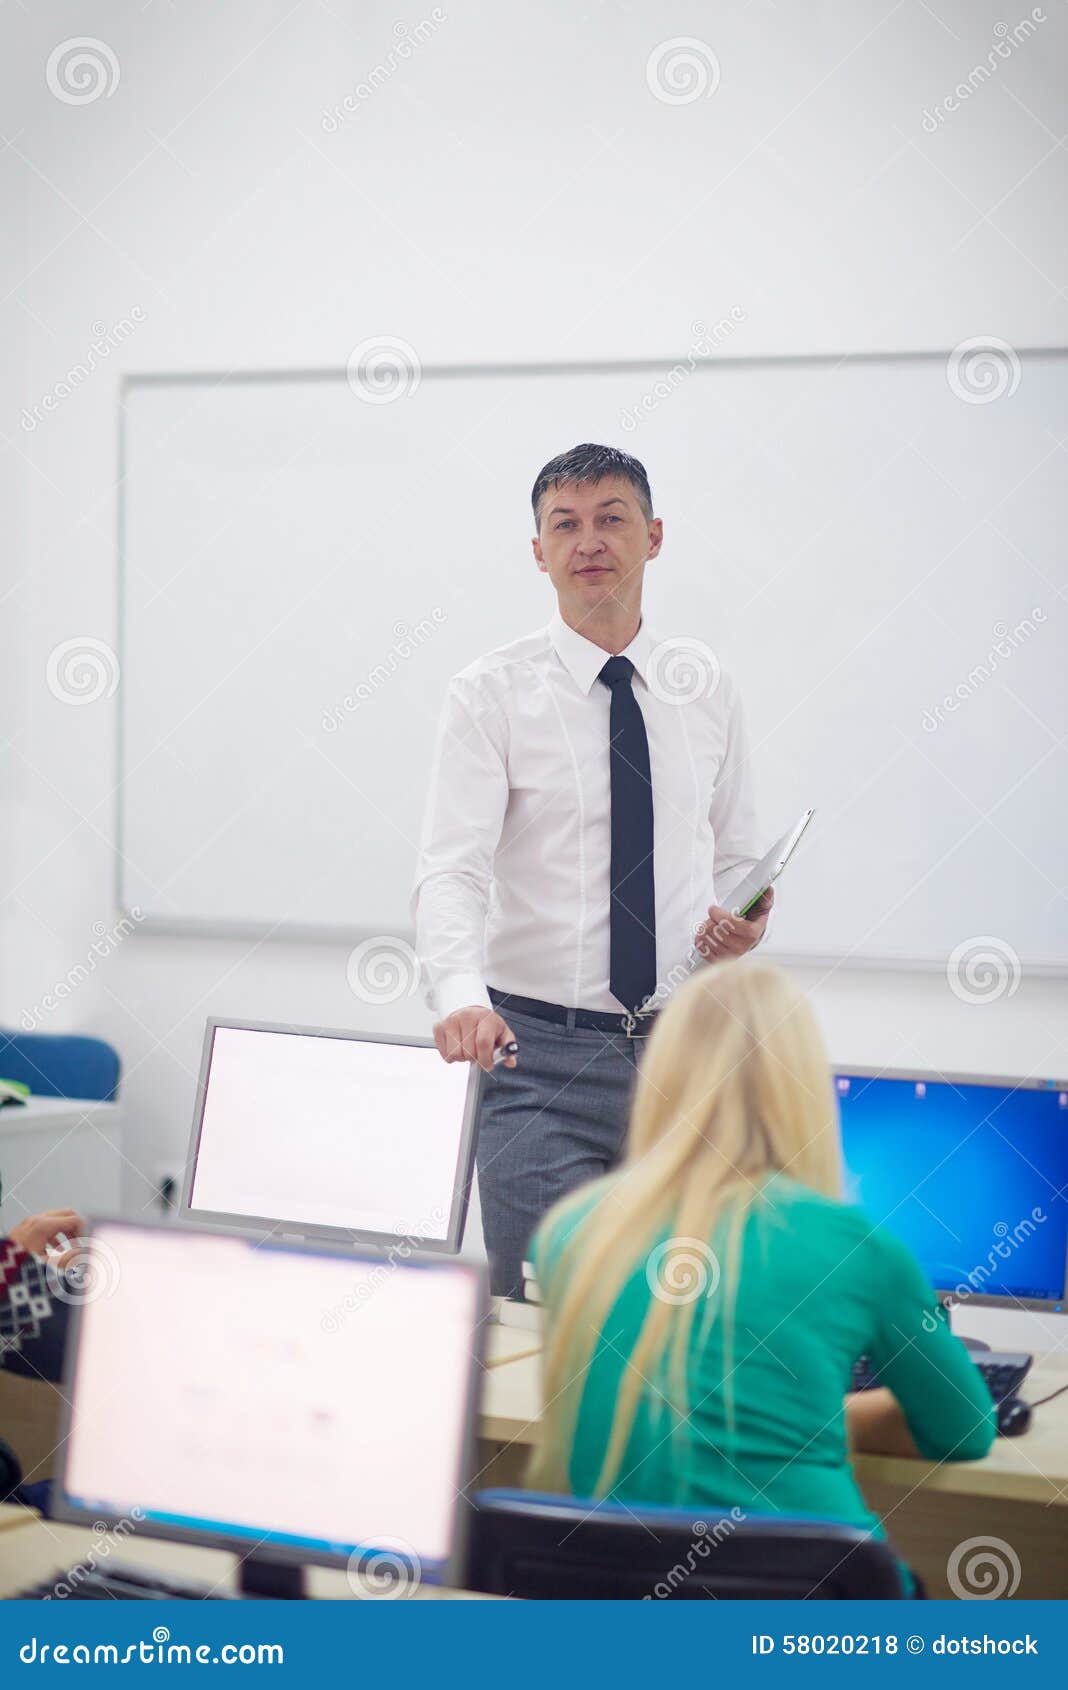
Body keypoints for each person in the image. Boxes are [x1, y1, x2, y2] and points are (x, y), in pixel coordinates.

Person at [413, 443, 771, 1296]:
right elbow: (451, 867)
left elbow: (739, 857)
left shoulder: (704, 684)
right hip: (537, 1058)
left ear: (653, 535)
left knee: (693, 1317)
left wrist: (749, 916)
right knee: (549, 1330)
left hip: (685, 1053)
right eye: (564, 525)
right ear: (539, 552)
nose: (589, 541)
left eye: (611, 519)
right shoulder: (489, 692)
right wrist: (459, 991)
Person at [528, 960, 995, 1585]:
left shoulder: (574, 1229)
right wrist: (823, 1413)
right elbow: (963, 1431)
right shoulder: (856, 1245)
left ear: (661, 1074)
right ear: (802, 1084)